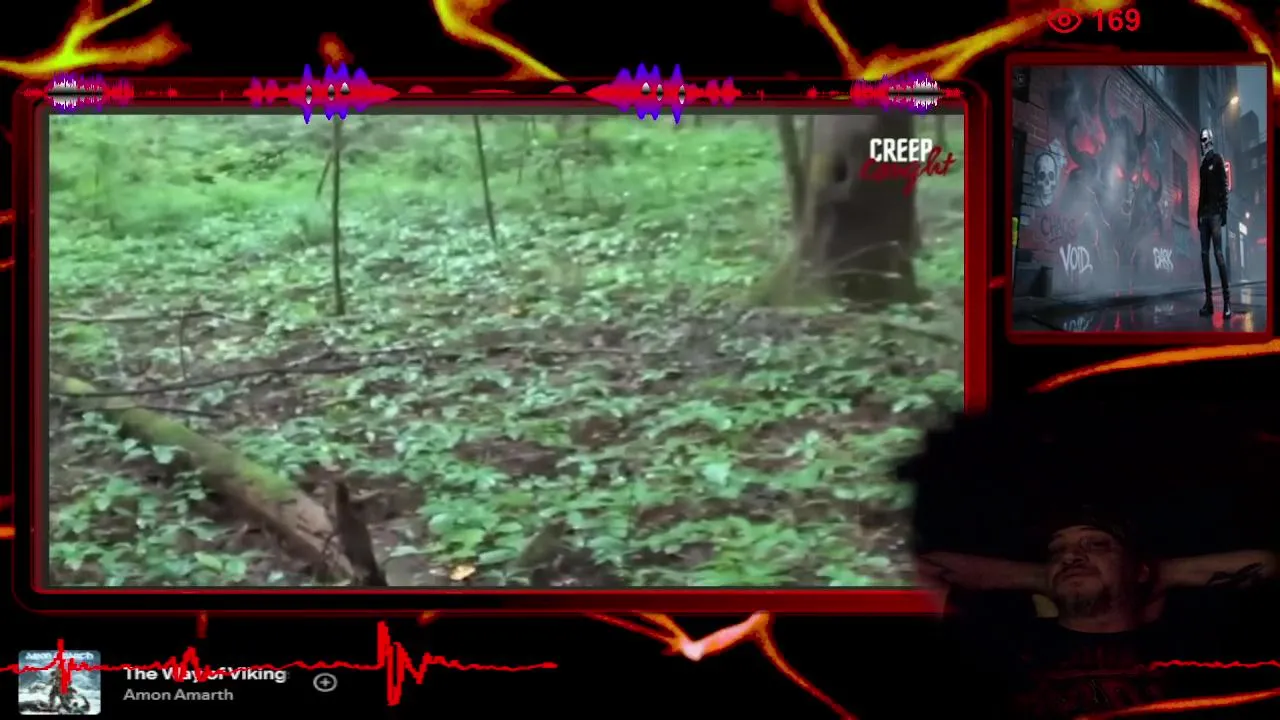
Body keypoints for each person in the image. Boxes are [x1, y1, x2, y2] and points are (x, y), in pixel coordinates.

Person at [898, 402, 1280, 719]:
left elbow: (1268, 564)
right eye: (1057, 551)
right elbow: (922, 567)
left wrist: (1152, 575)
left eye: (1096, 545)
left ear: (1140, 568)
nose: (1071, 556)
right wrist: (1047, 577)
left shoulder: (1186, 646)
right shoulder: (1012, 644)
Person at [1197, 127, 1231, 318]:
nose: (1201, 144)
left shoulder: (1217, 160)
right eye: (1201, 141)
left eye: (1203, 140)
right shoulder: (1203, 166)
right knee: (1204, 256)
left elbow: (1224, 186)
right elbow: (1201, 193)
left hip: (1216, 215)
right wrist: (1198, 215)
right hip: (1204, 216)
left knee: (1218, 255)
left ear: (1209, 140)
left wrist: (1224, 211)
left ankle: (1227, 303)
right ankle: (1209, 303)